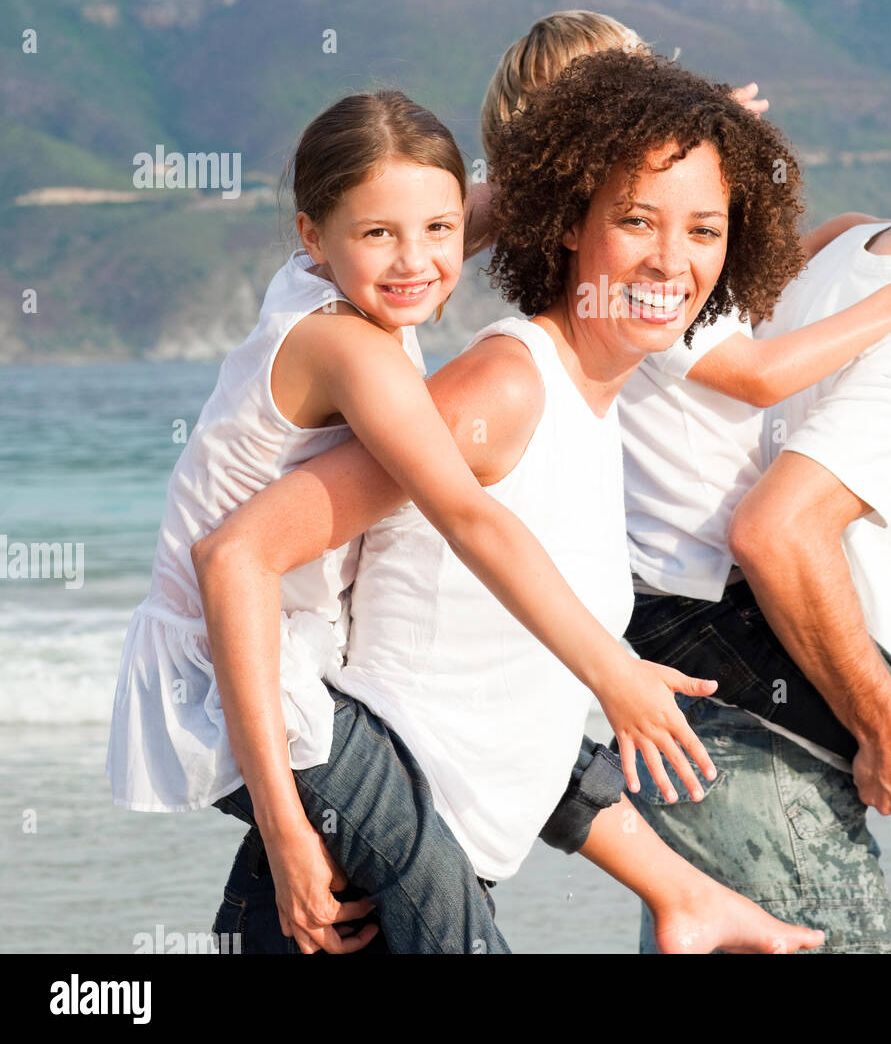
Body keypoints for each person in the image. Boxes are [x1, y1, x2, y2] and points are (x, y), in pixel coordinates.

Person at [192, 52, 829, 953]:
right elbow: (239, 553)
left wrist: (680, 889)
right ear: (570, 223)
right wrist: (288, 823)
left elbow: (509, 712)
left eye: (704, 229)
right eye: (636, 218)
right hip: (350, 899)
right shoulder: (501, 391)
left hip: (431, 882)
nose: (670, 259)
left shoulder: (591, 408)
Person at [477, 17, 891, 952]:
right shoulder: (667, 298)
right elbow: (771, 496)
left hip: (693, 641)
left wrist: (724, 145)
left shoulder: (774, 260)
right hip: (707, 611)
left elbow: (766, 287)